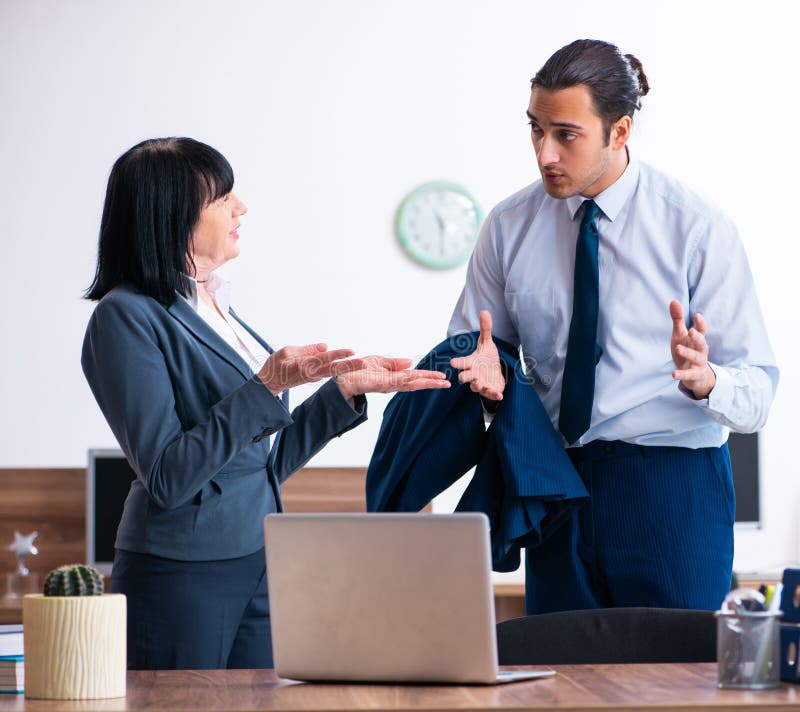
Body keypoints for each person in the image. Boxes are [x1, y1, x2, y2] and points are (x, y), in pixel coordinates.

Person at [81, 137, 449, 670]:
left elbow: (259, 466)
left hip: (258, 556)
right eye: (222, 198)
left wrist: (342, 393)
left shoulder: (214, 304)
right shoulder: (125, 317)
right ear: (172, 214)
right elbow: (167, 476)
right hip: (181, 571)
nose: (241, 207)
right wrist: (265, 385)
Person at [448, 39, 778, 613]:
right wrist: (483, 373)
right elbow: (475, 350)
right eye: (535, 129)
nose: (545, 153)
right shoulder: (508, 226)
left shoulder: (697, 229)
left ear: (620, 131)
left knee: (679, 688)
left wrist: (707, 380)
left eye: (566, 135)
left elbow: (758, 395)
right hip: (554, 484)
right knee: (558, 684)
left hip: (672, 486)